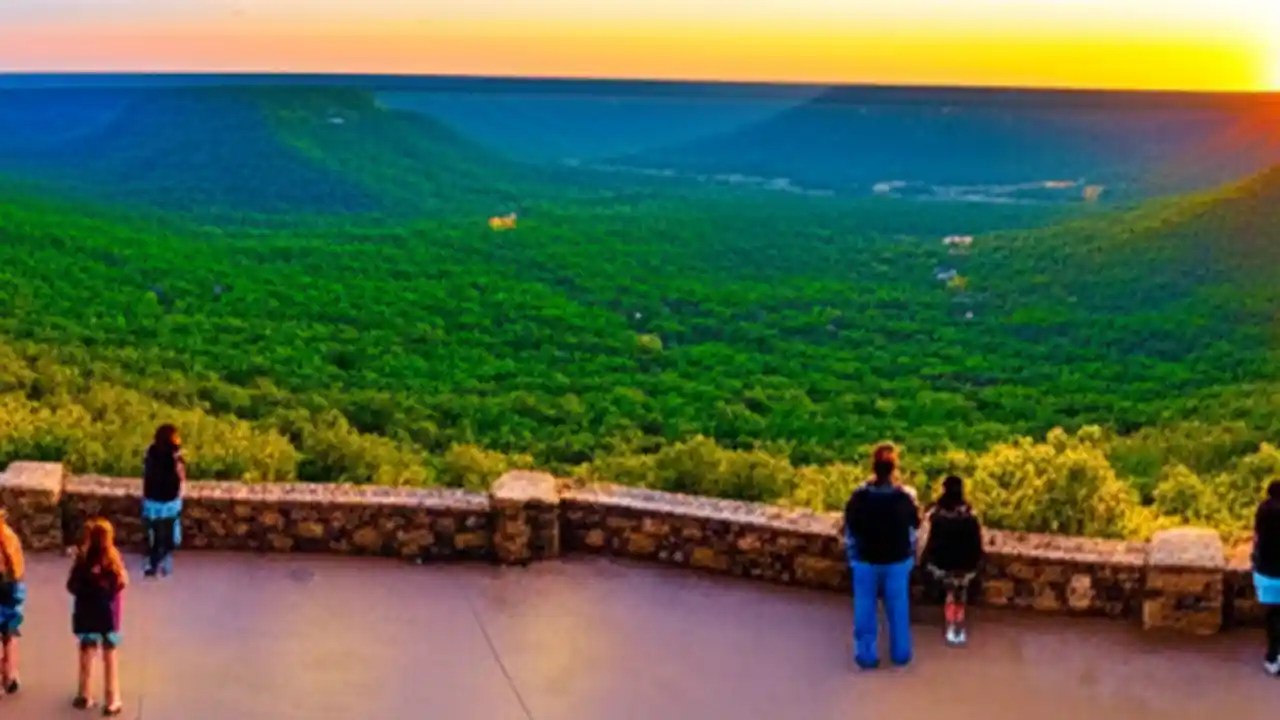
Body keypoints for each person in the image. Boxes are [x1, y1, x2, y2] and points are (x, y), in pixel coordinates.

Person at [844, 443, 921, 669]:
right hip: (896, 560)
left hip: (866, 559)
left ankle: (866, 656)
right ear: (893, 469)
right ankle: (900, 654)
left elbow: (850, 526)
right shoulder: (903, 499)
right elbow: (915, 525)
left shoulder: (859, 498)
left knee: (865, 609)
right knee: (898, 609)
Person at [68, 518, 128, 715]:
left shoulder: (82, 560)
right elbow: (120, 584)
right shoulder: (113, 560)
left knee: (86, 652)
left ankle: (84, 694)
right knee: (109, 655)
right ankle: (113, 699)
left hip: (86, 612)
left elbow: (72, 586)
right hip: (107, 615)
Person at [921, 476, 984, 646]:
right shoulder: (971, 516)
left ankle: (951, 625)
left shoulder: (938, 516)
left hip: (942, 566)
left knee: (950, 591)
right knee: (960, 591)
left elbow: (931, 545)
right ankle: (959, 625)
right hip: (967, 567)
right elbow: (977, 546)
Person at [143, 424, 186, 578]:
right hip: (170, 500)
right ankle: (164, 564)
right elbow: (181, 477)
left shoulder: (151, 452)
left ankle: (153, 562)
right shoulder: (176, 455)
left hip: (152, 499)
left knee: (155, 532)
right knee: (168, 532)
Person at [1254, 480, 1280, 676]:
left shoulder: (1263, 510)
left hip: (1266, 571)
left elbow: (1256, 537)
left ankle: (1273, 656)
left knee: (1272, 615)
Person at [0, 512, 25, 695]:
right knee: (9, 630)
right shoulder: (8, 535)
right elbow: (17, 564)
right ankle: (9, 675)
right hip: (8, 585)